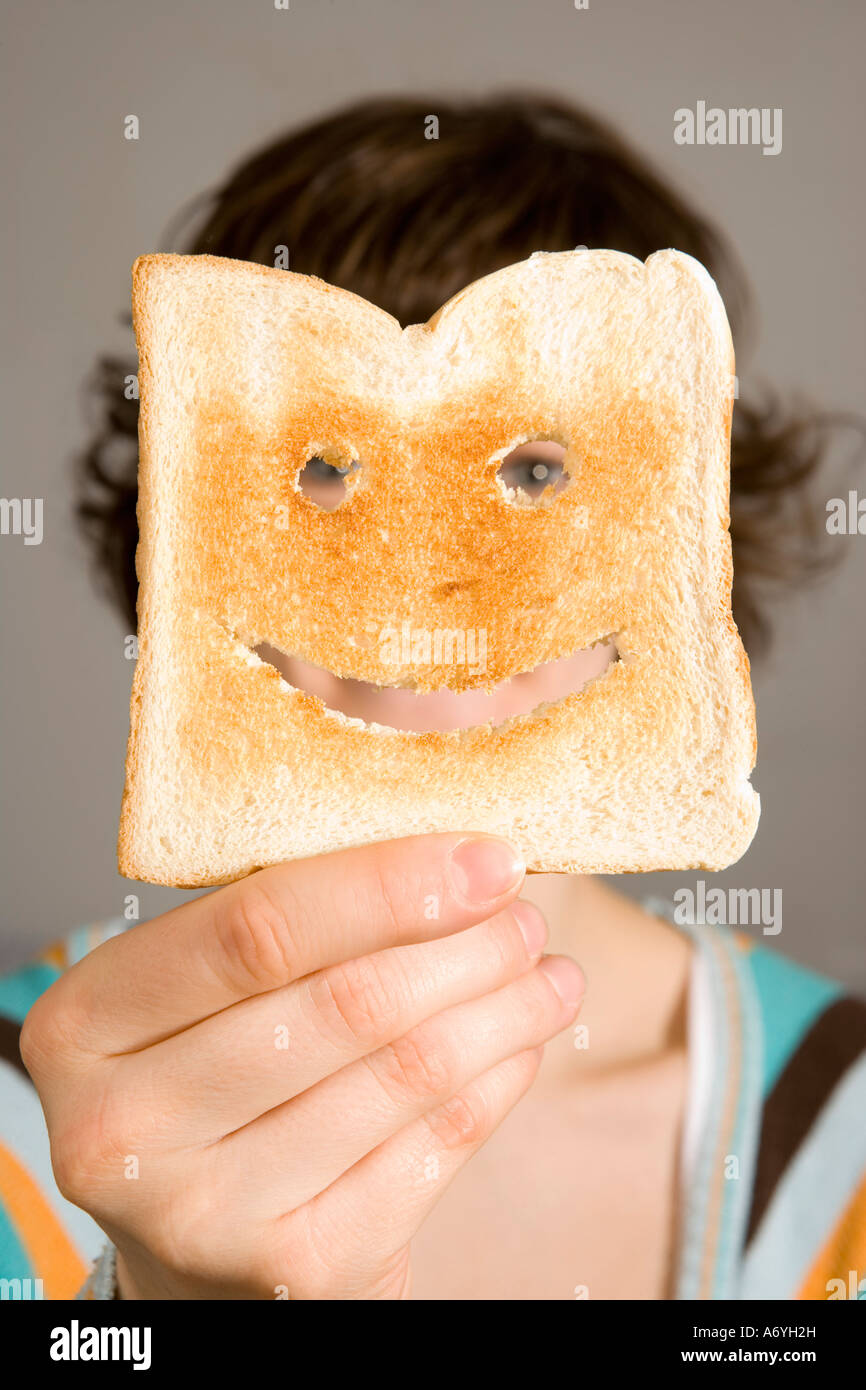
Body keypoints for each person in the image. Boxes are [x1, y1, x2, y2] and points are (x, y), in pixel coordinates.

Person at [2, 92, 864, 1302]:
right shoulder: (28, 1118)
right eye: (319, 464)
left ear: (694, 537)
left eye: (534, 467)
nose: (423, 585)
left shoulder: (846, 1144)